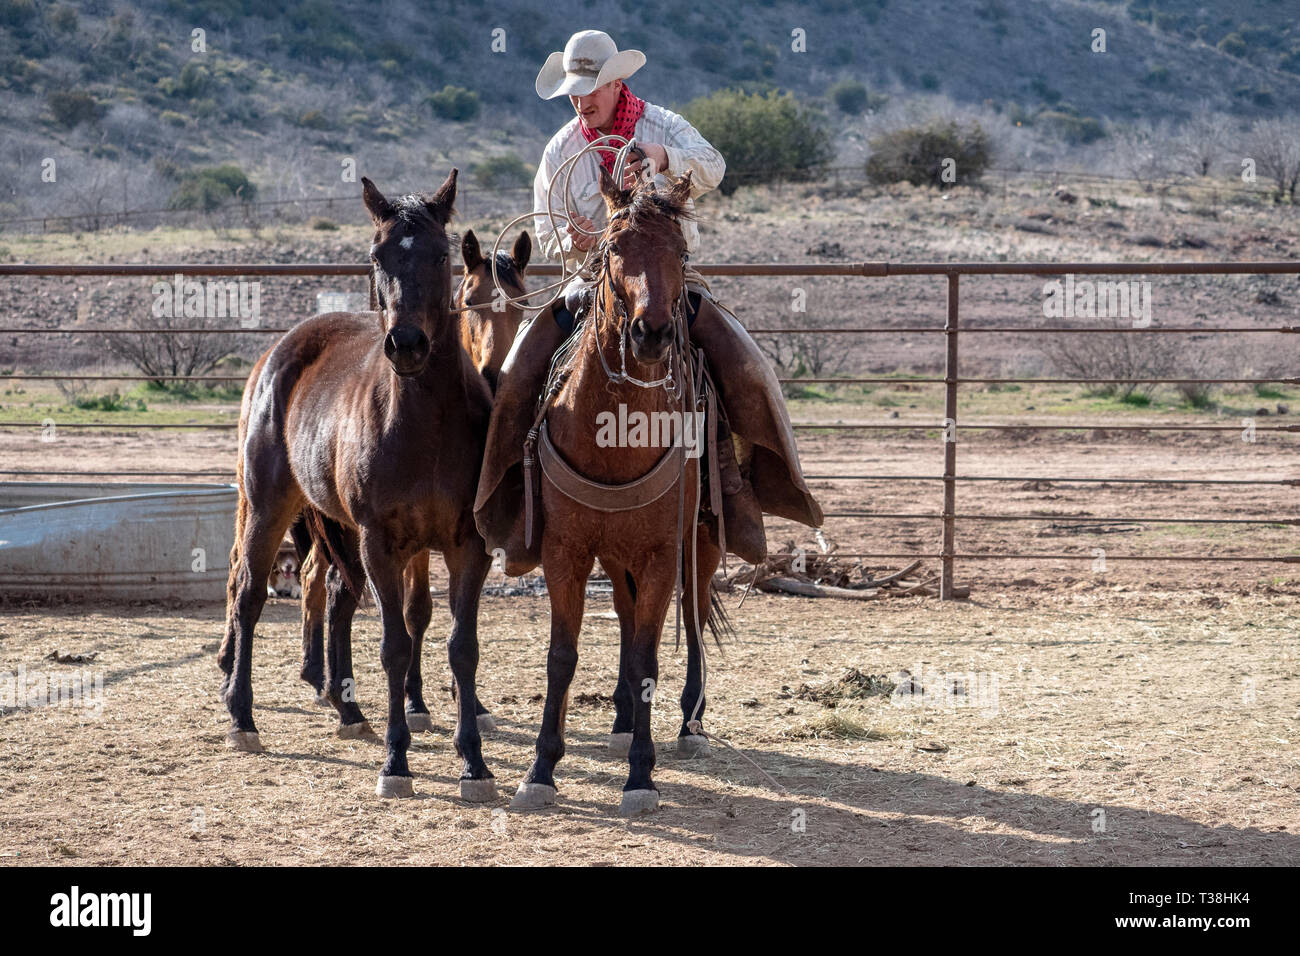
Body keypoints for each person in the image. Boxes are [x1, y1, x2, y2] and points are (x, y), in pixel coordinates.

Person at [474, 30, 822, 574]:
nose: (581, 101)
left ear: (616, 83)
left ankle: (732, 486)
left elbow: (713, 165)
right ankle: (519, 504)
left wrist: (664, 157)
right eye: (573, 92)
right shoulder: (562, 148)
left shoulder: (662, 127)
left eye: (590, 89)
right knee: (519, 367)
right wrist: (577, 239)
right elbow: (545, 230)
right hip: (590, 280)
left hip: (668, 279)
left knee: (739, 358)